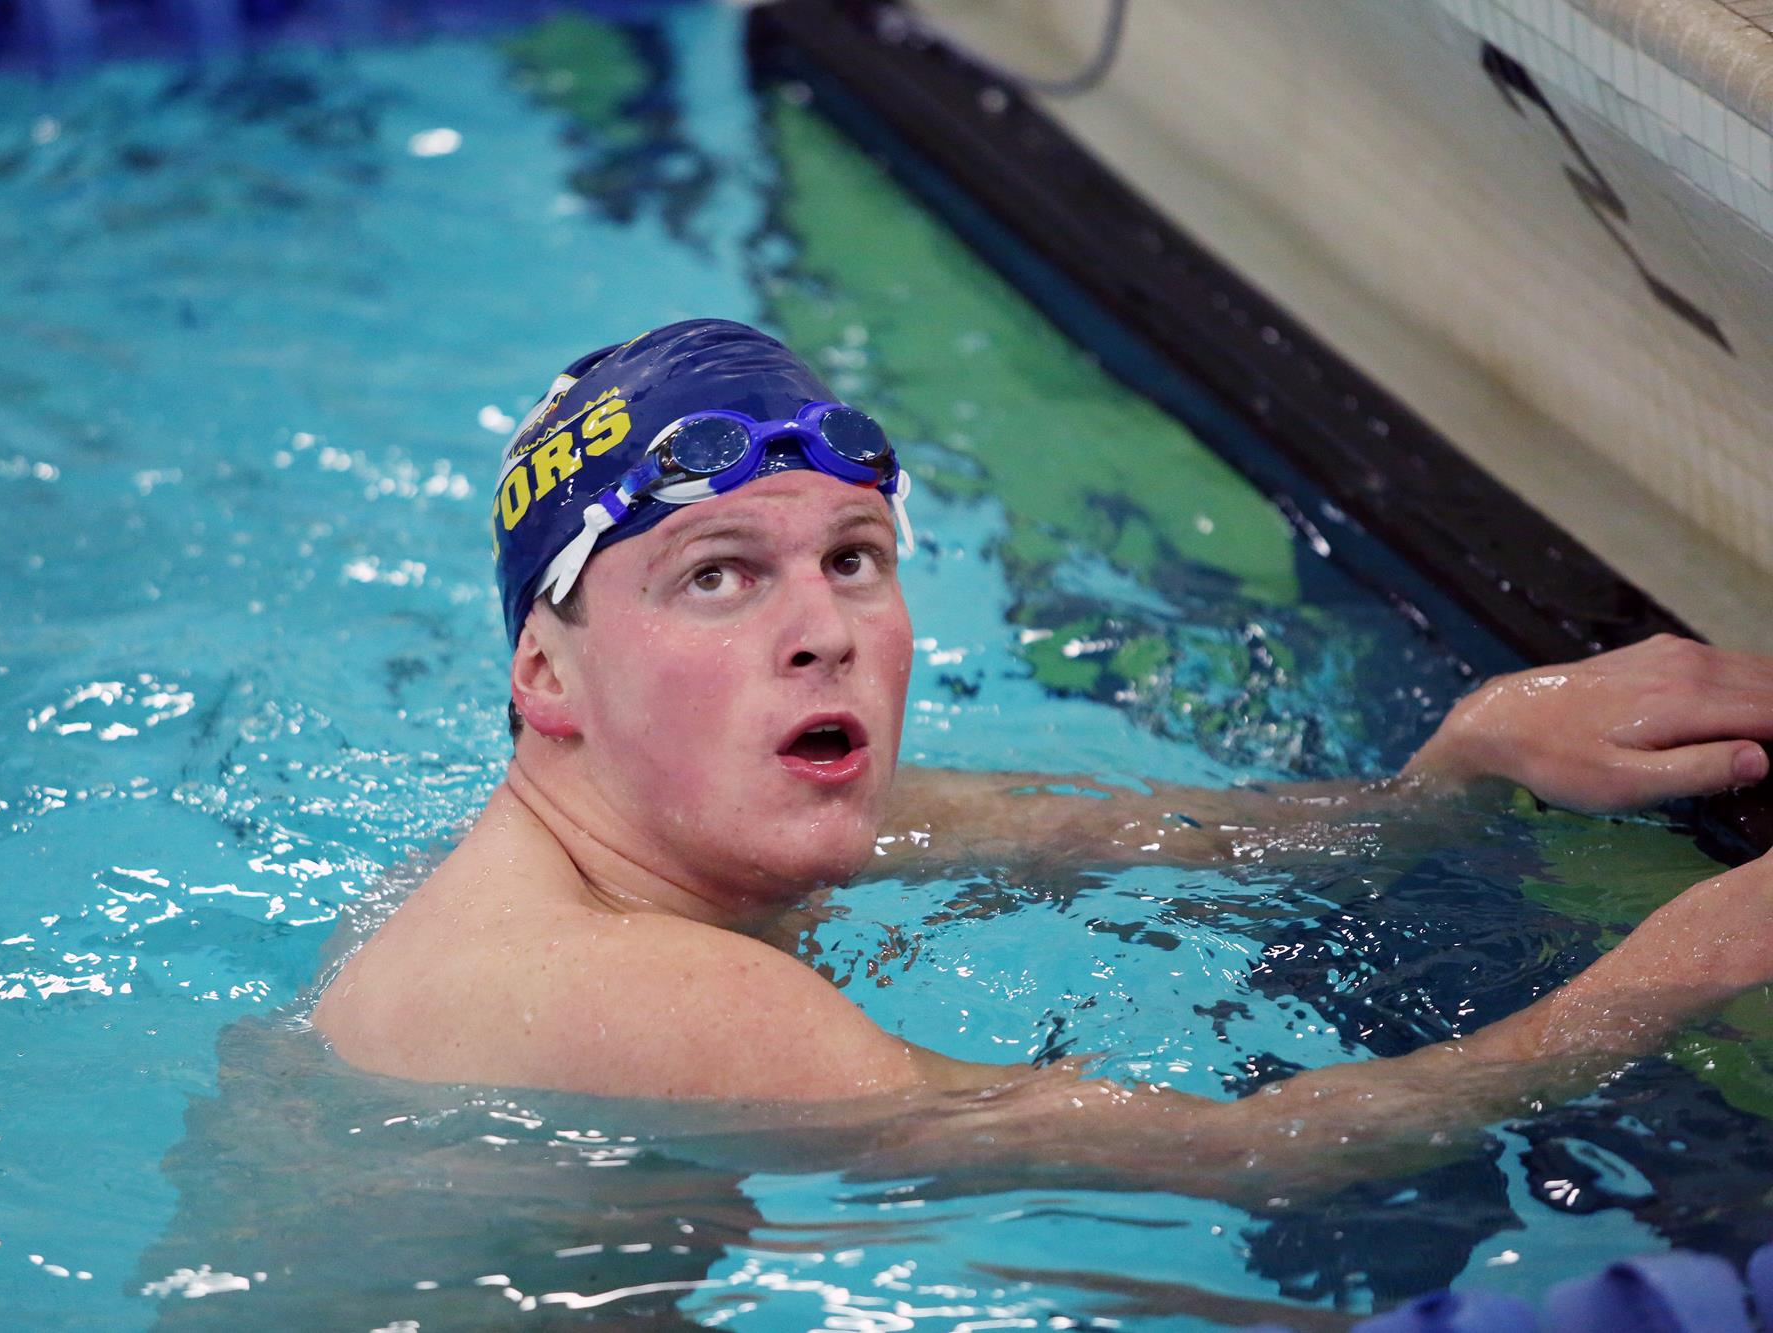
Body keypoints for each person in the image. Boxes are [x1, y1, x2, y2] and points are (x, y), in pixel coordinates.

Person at [313, 319, 1773, 1199]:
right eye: (718, 575)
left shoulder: (701, 824)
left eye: (854, 556)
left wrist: (1461, 763)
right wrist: (1689, 957)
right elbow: (1253, 1152)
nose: (822, 628)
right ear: (546, 680)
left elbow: (1211, 839)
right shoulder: (648, 990)